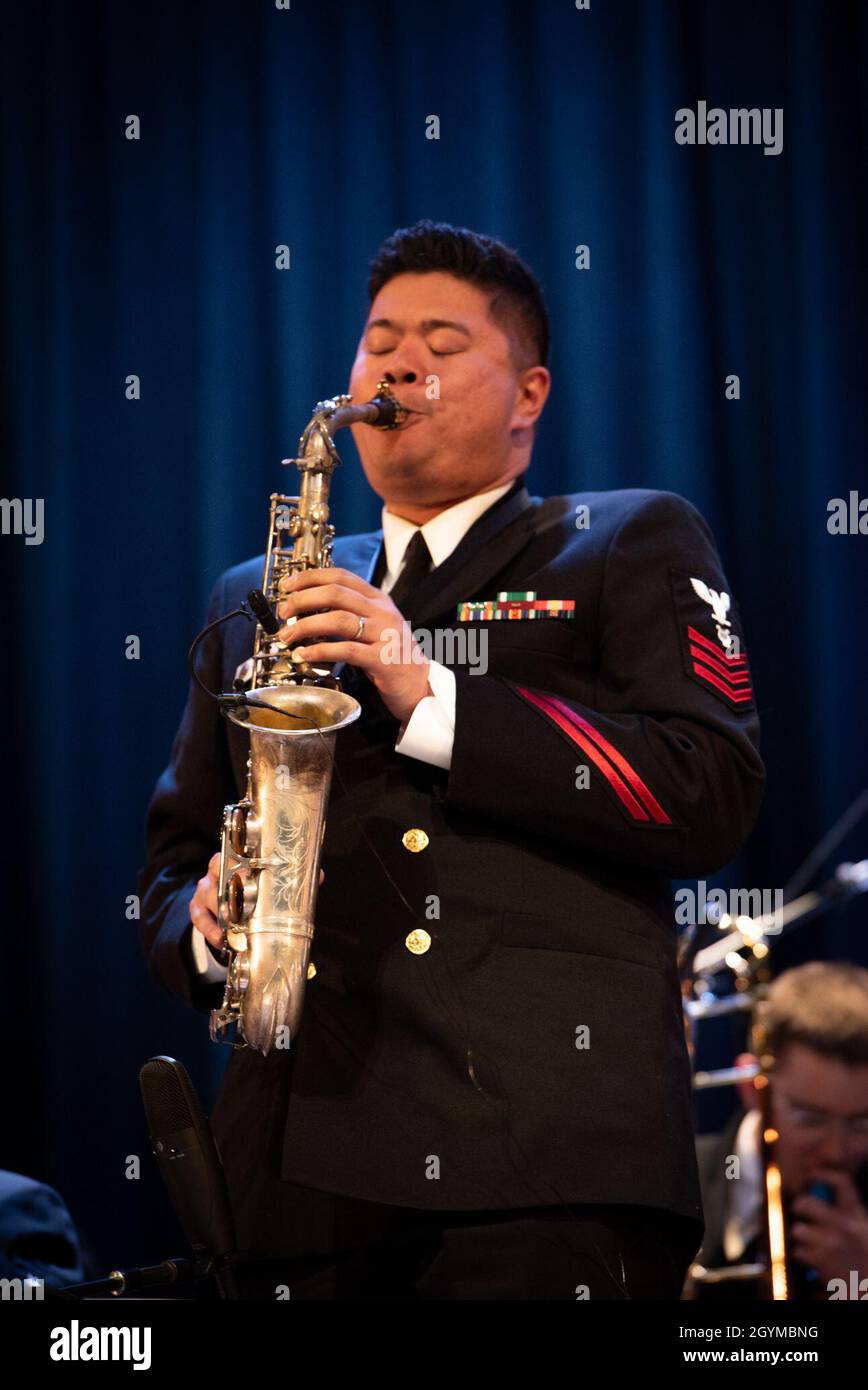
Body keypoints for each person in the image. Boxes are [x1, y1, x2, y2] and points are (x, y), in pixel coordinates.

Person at [139, 220, 766, 1299]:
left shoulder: (624, 538)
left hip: (542, 1163)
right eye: (378, 338)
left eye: (441, 339)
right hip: (291, 1175)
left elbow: (705, 785)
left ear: (529, 395)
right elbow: (172, 859)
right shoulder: (254, 594)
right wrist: (201, 925)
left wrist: (426, 689)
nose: (397, 362)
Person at [693, 961, 868, 1300]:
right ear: (749, 1086)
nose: (836, 1151)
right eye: (809, 1119)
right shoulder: (676, 1179)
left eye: (862, 1123)